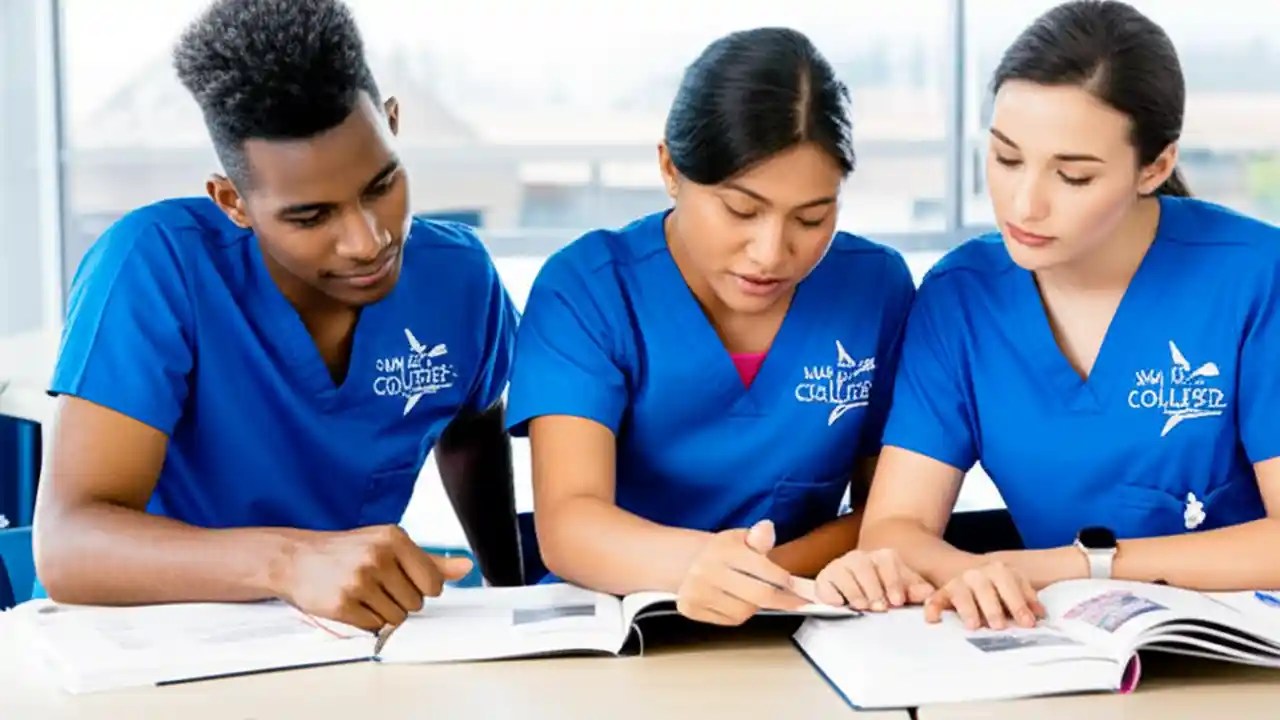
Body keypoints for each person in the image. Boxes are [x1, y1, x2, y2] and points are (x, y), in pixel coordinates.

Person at [33, 0, 523, 631]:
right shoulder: (154, 263)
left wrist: (513, 600)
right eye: (311, 216)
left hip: (345, 642)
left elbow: (472, 425)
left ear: (392, 123)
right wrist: (289, 563)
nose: (368, 241)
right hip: (150, 640)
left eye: (381, 186)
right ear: (232, 201)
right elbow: (68, 546)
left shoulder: (460, 275)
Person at [814, 0, 1280, 630]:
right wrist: (974, 577)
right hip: (1063, 643)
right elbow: (895, 529)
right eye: (1007, 159)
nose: (1024, 204)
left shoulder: (1256, 276)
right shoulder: (962, 297)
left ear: (1155, 167)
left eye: (1074, 176)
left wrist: (1074, 565)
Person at [505, 27, 926, 626]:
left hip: (808, 617)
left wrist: (755, 582)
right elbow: (571, 523)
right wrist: (702, 570)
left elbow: (890, 517)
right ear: (670, 168)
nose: (771, 252)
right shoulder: (588, 289)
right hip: (620, 624)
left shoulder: (874, 288)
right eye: (741, 210)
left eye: (811, 218)